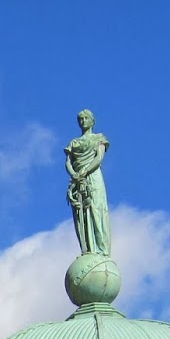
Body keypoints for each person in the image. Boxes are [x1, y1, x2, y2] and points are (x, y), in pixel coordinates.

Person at [65, 109, 111, 256]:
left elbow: (99, 158)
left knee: (96, 209)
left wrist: (84, 172)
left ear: (92, 121)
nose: (83, 121)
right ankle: (87, 249)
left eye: (86, 118)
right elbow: (68, 162)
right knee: (81, 215)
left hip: (93, 176)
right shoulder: (74, 142)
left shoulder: (99, 138)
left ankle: (102, 250)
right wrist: (74, 174)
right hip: (78, 180)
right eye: (80, 119)